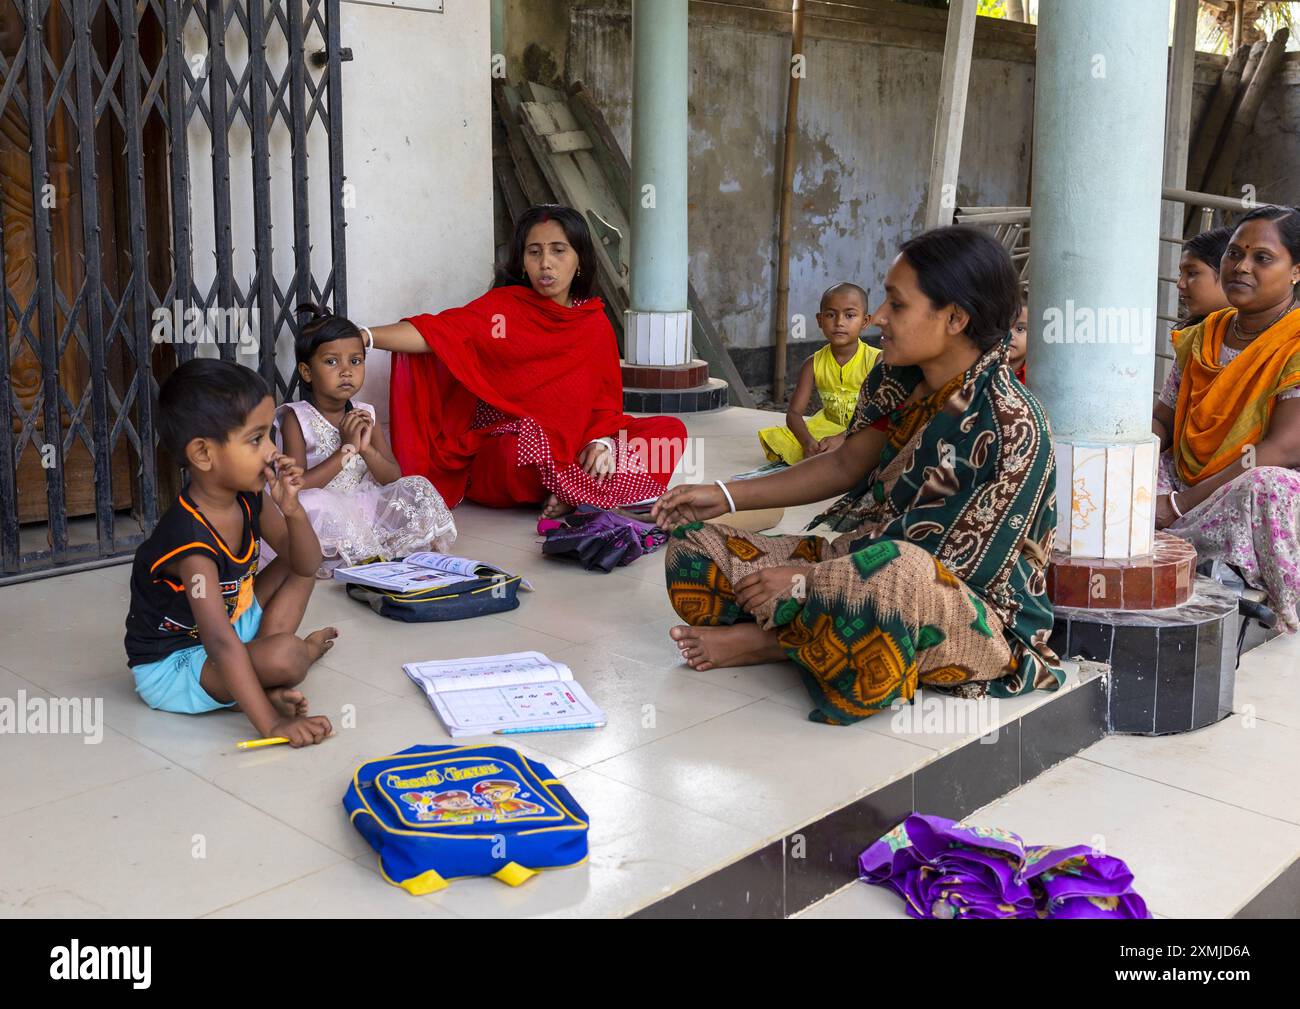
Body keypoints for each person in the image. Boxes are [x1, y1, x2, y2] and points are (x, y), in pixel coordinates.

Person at [652, 226, 1062, 725]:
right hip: (860, 558)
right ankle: (808, 633)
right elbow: (844, 464)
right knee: (694, 549)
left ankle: (773, 640)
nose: (878, 318)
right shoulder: (898, 379)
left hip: (969, 616)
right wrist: (722, 495)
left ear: (955, 317)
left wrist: (809, 580)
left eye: (897, 304)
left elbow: (942, 568)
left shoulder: (1010, 423)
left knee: (893, 576)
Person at [364, 205, 687, 518]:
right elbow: (437, 332)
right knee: (517, 447)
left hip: (573, 450)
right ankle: (580, 492)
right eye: (534, 252)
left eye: (558, 250)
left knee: (668, 432)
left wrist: (601, 443)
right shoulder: (503, 310)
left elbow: (605, 406)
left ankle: (570, 491)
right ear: (522, 263)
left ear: (580, 262)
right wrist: (364, 336)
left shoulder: (593, 322)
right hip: (511, 451)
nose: (546, 263)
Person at [124, 359, 335, 747]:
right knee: (288, 657)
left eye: (269, 435)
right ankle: (272, 678)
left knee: (295, 565)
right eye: (256, 440)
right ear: (203, 455)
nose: (272, 452)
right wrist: (272, 724)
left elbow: (307, 564)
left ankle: (261, 674)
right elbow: (218, 642)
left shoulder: (248, 496)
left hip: (231, 619)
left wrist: (292, 510)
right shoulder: (191, 543)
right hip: (177, 662)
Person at [1153, 206, 1300, 632]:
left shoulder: (1293, 343)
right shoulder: (1206, 334)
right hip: (1190, 483)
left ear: (1296, 272)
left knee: (1267, 485)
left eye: (1263, 258)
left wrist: (1179, 504)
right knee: (1132, 464)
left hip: (1255, 489)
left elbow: (1281, 448)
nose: (1242, 267)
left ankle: (1286, 621)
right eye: (1234, 254)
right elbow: (1164, 417)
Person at [277, 304, 456, 575]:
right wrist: (346, 450)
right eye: (331, 361)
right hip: (325, 510)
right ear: (306, 371)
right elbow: (296, 485)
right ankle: (346, 552)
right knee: (311, 505)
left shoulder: (365, 415)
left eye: (355, 361)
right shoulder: (296, 418)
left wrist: (366, 450)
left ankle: (376, 546)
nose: (346, 371)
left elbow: (392, 476)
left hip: (364, 507)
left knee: (417, 486)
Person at [758, 282, 879, 464]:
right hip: (826, 427)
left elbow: (879, 412)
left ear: (865, 321)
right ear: (820, 320)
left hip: (865, 428)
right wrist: (808, 443)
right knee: (784, 438)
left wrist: (844, 437)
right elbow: (794, 414)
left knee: (877, 443)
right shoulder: (813, 363)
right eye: (830, 315)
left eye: (850, 315)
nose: (839, 322)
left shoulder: (876, 360)